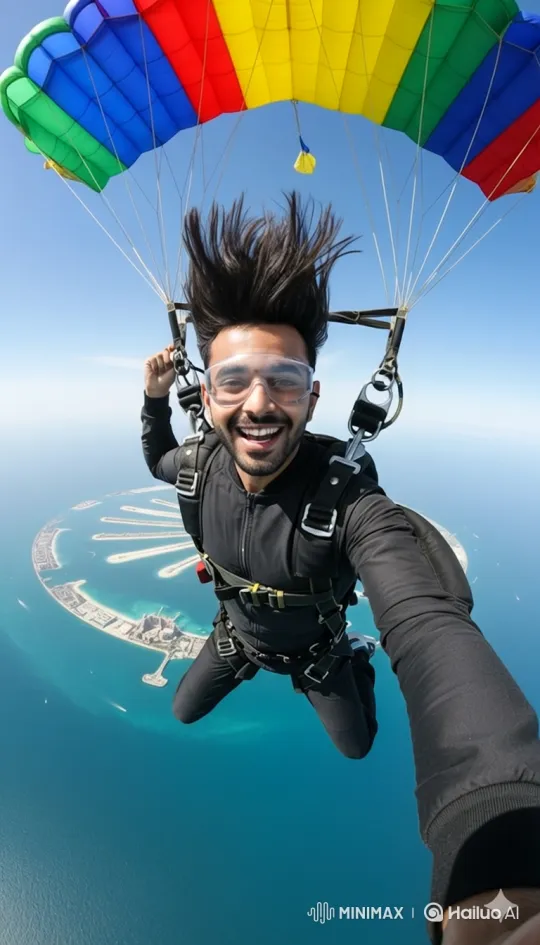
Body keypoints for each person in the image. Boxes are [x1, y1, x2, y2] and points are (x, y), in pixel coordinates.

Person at [141, 193, 540, 945]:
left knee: (356, 743)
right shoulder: (194, 468)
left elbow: (426, 622)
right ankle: (264, 653)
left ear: (314, 394)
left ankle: (344, 661)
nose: (258, 404)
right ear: (209, 391)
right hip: (239, 638)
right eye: (233, 381)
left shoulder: (348, 497)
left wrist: (501, 844)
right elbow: (156, 453)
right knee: (183, 708)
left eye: (284, 379)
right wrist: (152, 399)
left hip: (318, 649)